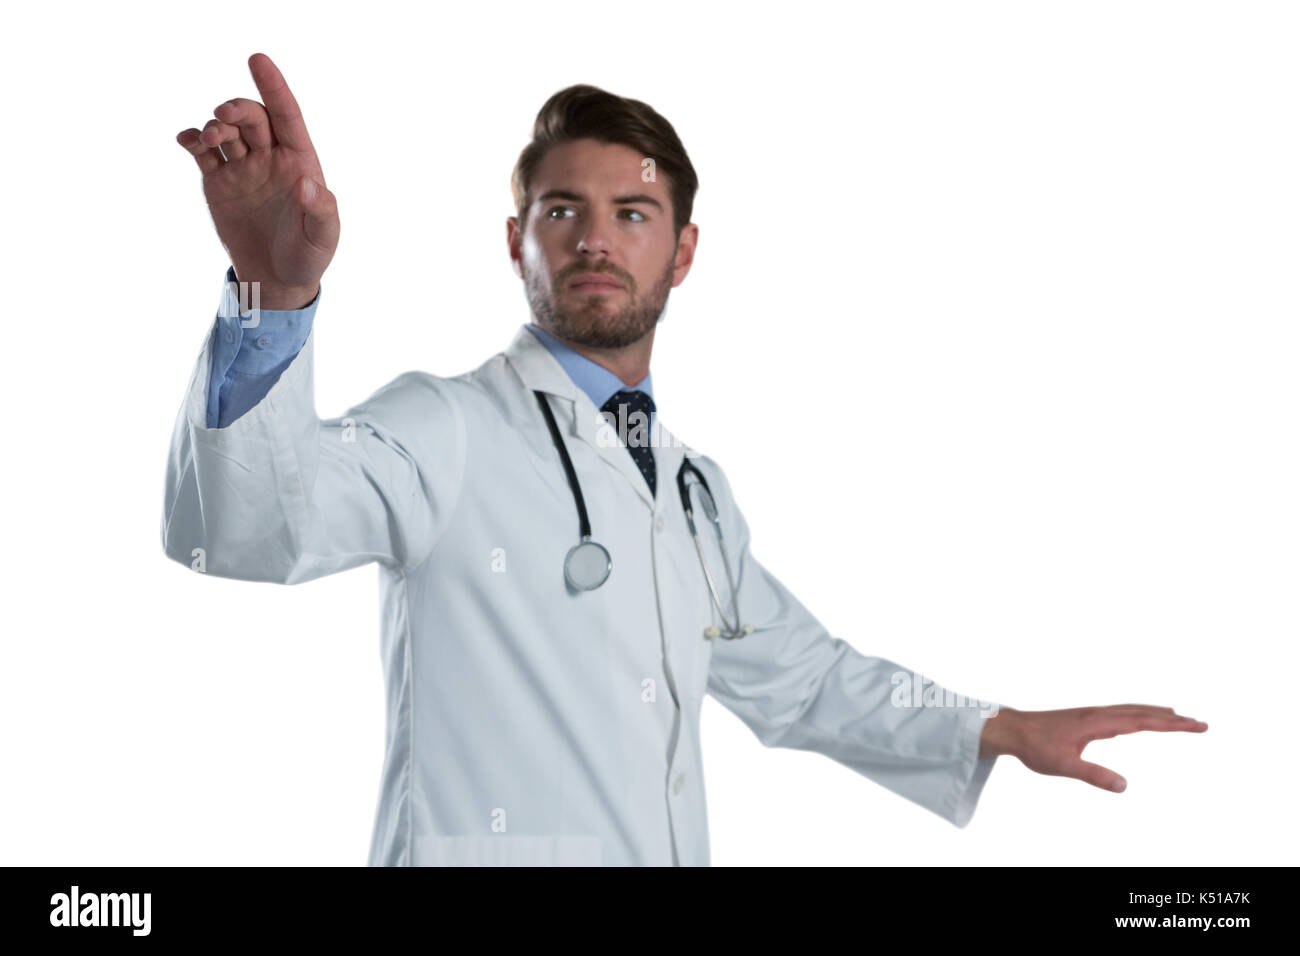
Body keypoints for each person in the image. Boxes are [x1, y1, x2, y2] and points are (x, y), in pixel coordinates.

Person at [163, 53, 1208, 867]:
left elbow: (805, 681)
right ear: (515, 239)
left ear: (685, 249)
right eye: (562, 212)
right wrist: (270, 292)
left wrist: (998, 727)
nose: (594, 241)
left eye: (633, 213)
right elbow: (251, 529)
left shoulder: (695, 491)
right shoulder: (447, 427)